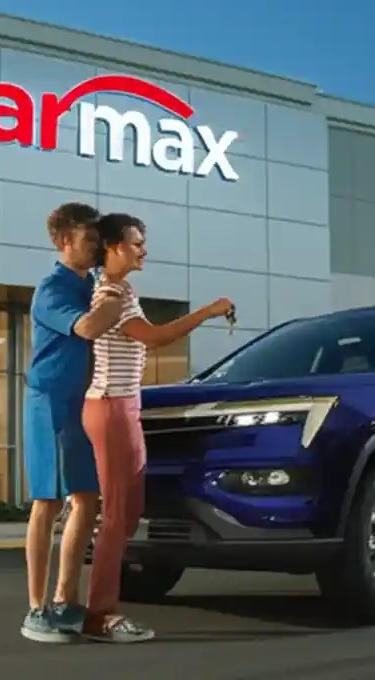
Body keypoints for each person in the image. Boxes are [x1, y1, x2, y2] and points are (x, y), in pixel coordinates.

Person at [81, 212, 234, 643]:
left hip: (124, 405)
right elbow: (154, 336)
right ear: (113, 247)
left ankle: (102, 607)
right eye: (136, 243)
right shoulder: (110, 293)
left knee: (128, 512)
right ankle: (99, 616)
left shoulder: (122, 290)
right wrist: (207, 311)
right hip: (111, 406)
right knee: (117, 515)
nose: (143, 250)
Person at [20, 202, 127, 643]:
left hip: (81, 403)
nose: (95, 248)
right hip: (49, 402)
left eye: (99, 242)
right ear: (64, 240)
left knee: (86, 498)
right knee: (47, 501)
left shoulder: (91, 285)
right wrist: (115, 299)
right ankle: (36, 608)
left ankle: (65, 599)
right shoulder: (52, 289)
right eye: (88, 240)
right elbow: (87, 328)